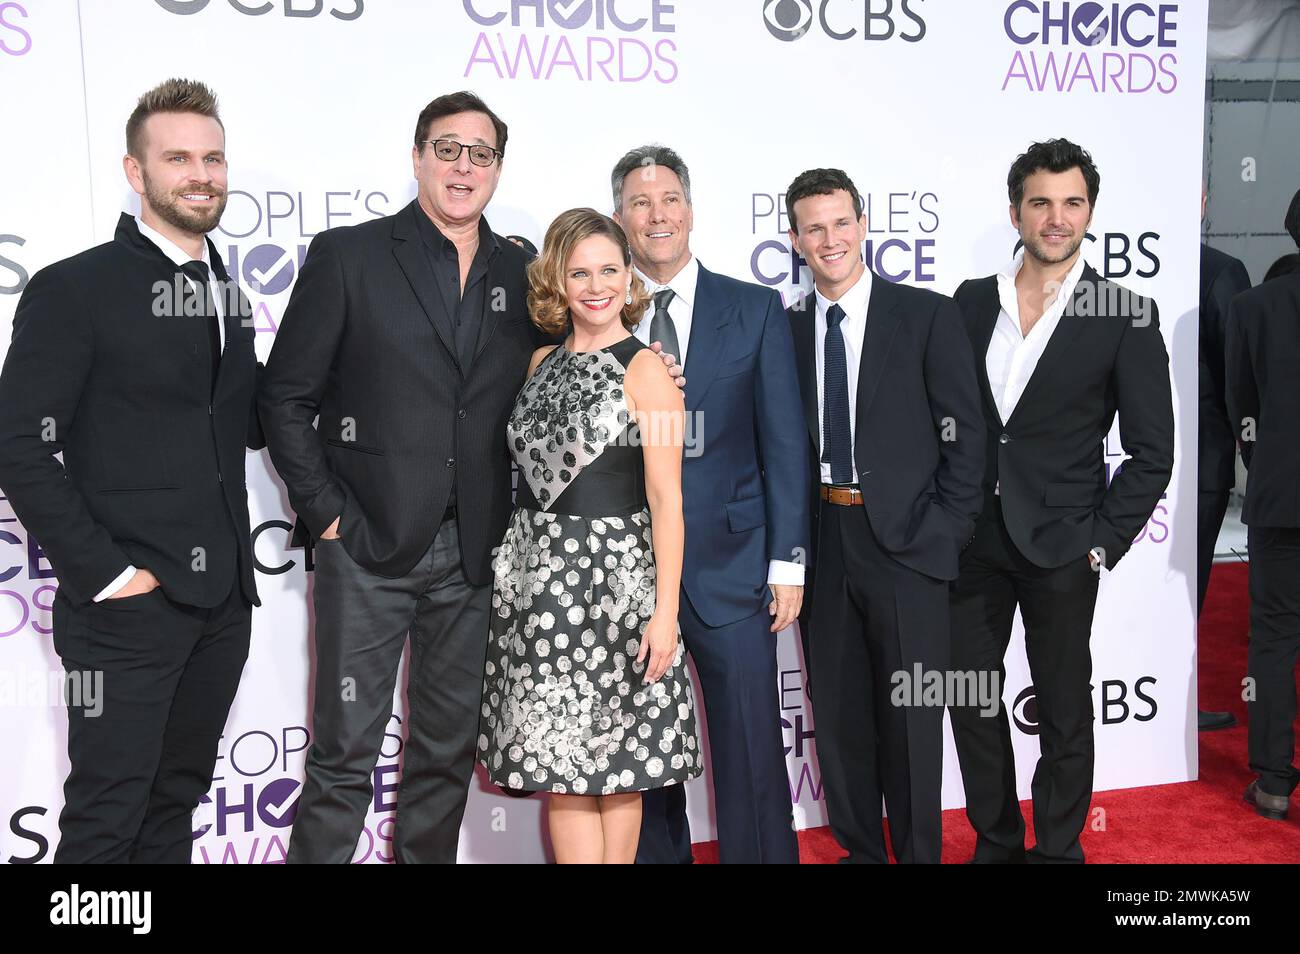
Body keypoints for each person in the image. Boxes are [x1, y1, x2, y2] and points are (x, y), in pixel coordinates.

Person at [260, 92, 682, 864]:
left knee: (444, 754)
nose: (463, 167)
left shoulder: (523, 273)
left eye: (480, 154)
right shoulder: (350, 256)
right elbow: (284, 398)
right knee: (344, 755)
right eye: (447, 149)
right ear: (418, 157)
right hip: (367, 548)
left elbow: (589, 360)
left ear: (497, 168)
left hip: (480, 561)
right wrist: (328, 516)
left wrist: (658, 375)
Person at [0, 78, 262, 863]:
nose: (201, 175)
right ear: (135, 171)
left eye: (213, 158)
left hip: (223, 604)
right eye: (178, 158)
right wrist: (108, 575)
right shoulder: (74, 287)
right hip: (126, 611)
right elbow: (16, 443)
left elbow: (243, 419)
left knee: (173, 803)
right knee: (106, 820)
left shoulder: (228, 292)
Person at [948, 139, 1174, 863]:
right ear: (1015, 211)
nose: (1056, 218)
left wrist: (1101, 542)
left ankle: (1056, 847)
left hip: (1064, 545)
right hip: (971, 541)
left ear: (1090, 212)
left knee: (1065, 706)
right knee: (970, 701)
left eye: (1072, 203)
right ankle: (996, 840)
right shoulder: (969, 301)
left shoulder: (1126, 313)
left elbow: (1153, 452)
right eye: (1040, 202)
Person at [478, 209, 700, 863]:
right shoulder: (539, 361)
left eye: (609, 270)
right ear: (557, 279)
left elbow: (668, 501)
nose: (596, 286)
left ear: (629, 275)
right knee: (560, 766)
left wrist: (665, 613)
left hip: (615, 590)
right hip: (538, 586)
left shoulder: (648, 371)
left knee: (616, 765)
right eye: (580, 273)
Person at [611, 145, 809, 864]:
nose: (657, 215)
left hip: (735, 566)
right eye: (640, 202)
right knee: (644, 760)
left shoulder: (753, 308)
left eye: (669, 200)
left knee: (751, 749)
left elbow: (785, 443)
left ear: (690, 211)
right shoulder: (599, 309)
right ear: (619, 217)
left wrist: (788, 562)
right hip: (629, 575)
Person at [785, 168, 985, 864]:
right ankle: (862, 852)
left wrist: (946, 531)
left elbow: (968, 435)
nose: (830, 239)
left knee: (911, 722)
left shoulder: (925, 315)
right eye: (814, 228)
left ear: (863, 225)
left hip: (908, 545)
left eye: (841, 222)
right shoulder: (786, 328)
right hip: (823, 541)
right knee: (839, 719)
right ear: (796, 240)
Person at [1225, 194, 1300, 821]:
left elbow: (1240, 407)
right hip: (1278, 492)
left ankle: (1274, 781)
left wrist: (1267, 460)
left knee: (1274, 638)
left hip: (1281, 495)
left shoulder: (1253, 307)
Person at [1197, 207, 1251, 731]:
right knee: (1186, 584)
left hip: (1188, 460)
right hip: (1198, 462)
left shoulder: (1216, 270)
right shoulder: (1219, 269)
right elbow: (1240, 373)